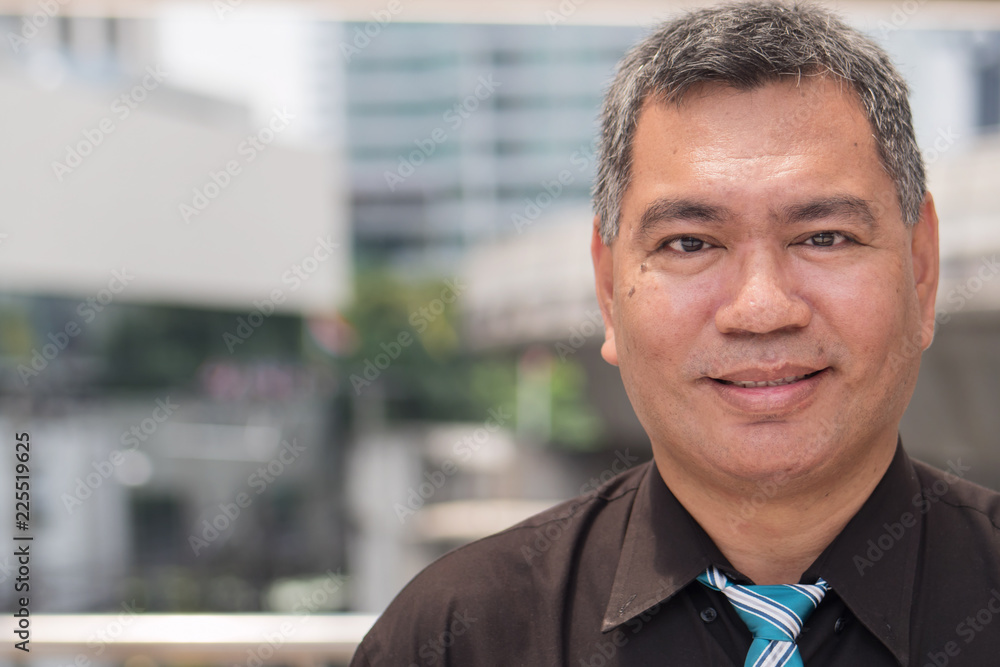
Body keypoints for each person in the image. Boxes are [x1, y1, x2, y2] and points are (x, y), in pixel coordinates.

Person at [350, 2, 1000, 665]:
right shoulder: (459, 637)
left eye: (823, 236)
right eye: (689, 243)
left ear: (921, 269)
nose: (761, 308)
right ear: (608, 289)